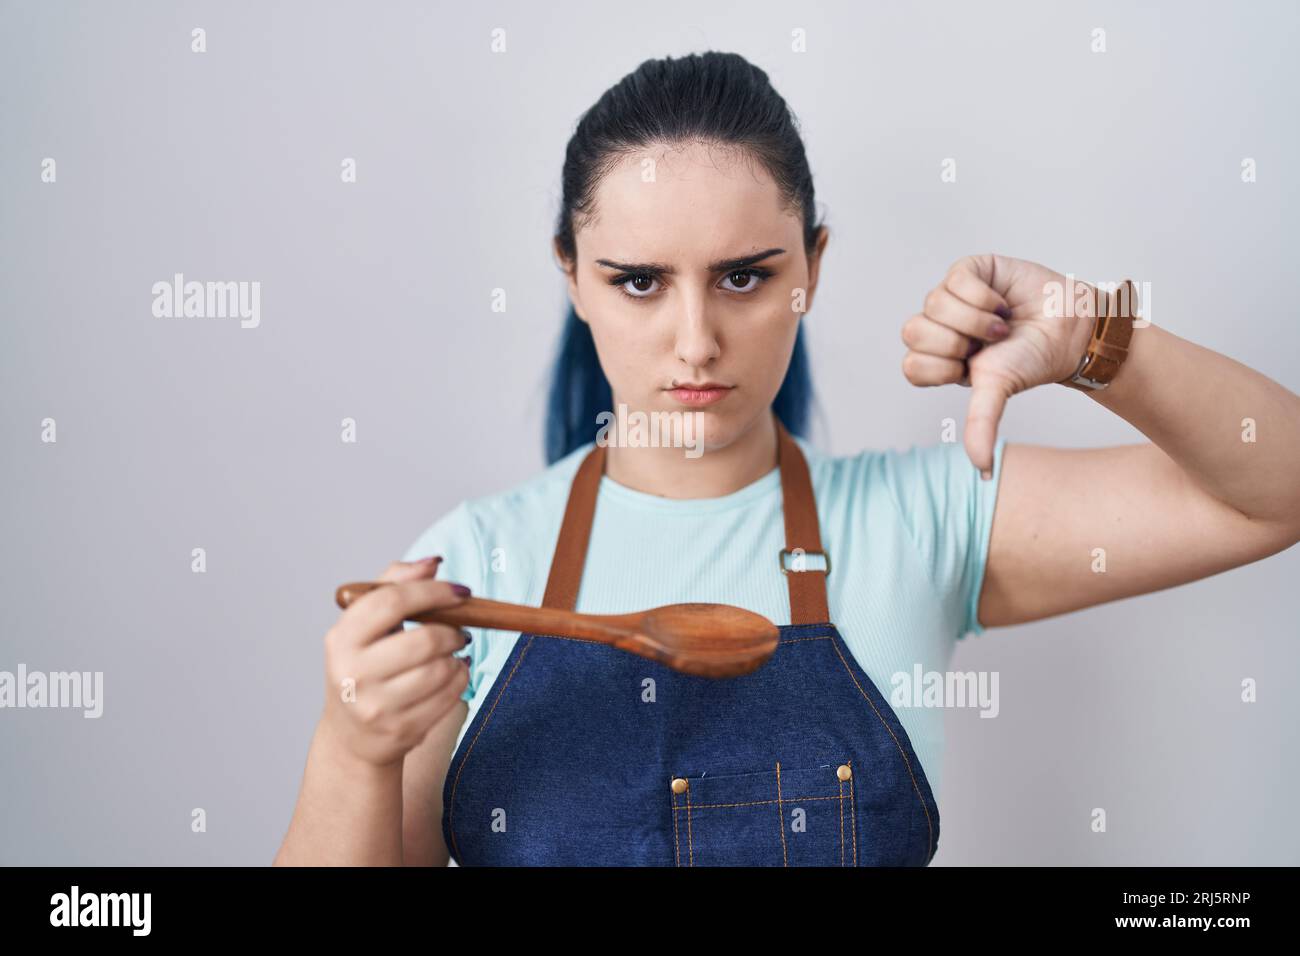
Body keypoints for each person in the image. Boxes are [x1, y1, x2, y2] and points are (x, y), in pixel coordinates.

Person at [274, 52, 1300, 867]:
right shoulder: (471, 569)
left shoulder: (922, 520)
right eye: (637, 281)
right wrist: (350, 747)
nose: (694, 341)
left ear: (811, 265)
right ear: (571, 277)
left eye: (743, 277)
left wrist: (1088, 339)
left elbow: (1276, 490)